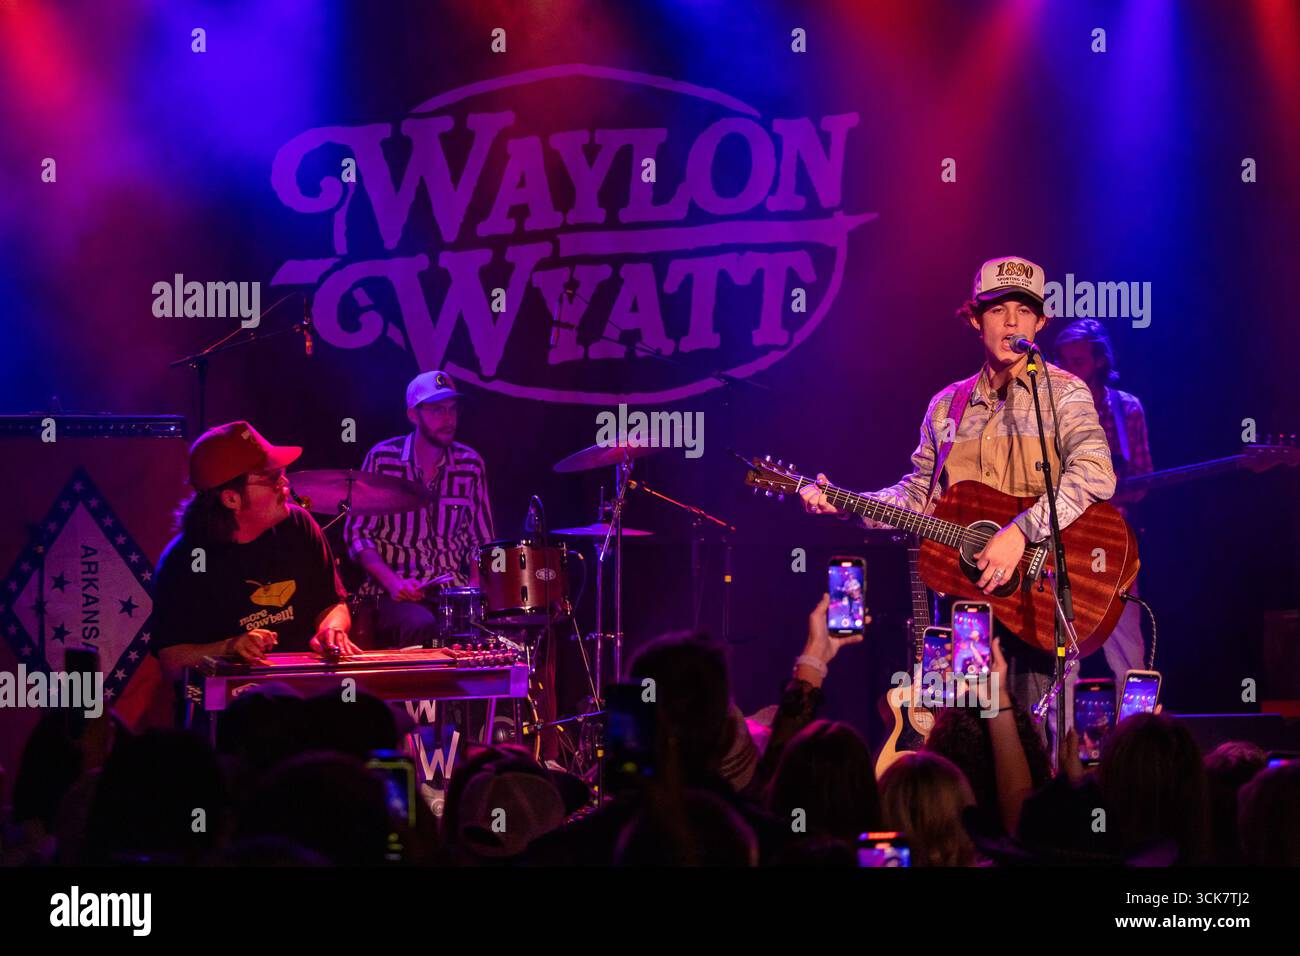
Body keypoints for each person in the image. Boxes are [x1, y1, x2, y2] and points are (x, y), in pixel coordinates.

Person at [800, 256, 1117, 741]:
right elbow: (918, 496)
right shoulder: (947, 405)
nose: (1011, 321)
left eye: (1024, 309)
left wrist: (1019, 533)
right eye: (997, 310)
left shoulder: (1065, 392)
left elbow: (1096, 473)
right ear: (975, 319)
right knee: (964, 749)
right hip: (965, 611)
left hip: (1040, 602)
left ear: (1040, 322)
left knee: (1036, 749)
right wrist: (849, 502)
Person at [151, 421, 357, 681]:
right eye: (271, 478)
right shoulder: (184, 561)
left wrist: (331, 629)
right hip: (237, 706)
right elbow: (171, 662)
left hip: (304, 690)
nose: (284, 482)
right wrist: (229, 647)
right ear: (231, 499)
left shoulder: (299, 525)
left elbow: (331, 603)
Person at [345, 370, 494, 648]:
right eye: (438, 410)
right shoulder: (383, 459)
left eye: (453, 410)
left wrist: (475, 592)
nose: (449, 419)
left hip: (452, 592)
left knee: (502, 627)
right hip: (390, 593)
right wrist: (392, 582)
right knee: (421, 625)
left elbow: (482, 542)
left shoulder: (470, 463)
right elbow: (357, 534)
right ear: (414, 415)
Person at [1053, 319, 1152, 693]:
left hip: (1114, 544)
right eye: (1062, 362)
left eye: (1076, 362)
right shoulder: (1051, 412)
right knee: (1061, 656)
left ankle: (1139, 741)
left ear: (1097, 361)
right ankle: (1059, 747)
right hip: (1063, 542)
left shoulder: (1126, 409)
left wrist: (1112, 491)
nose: (1066, 370)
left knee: (1128, 648)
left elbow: (1142, 478)